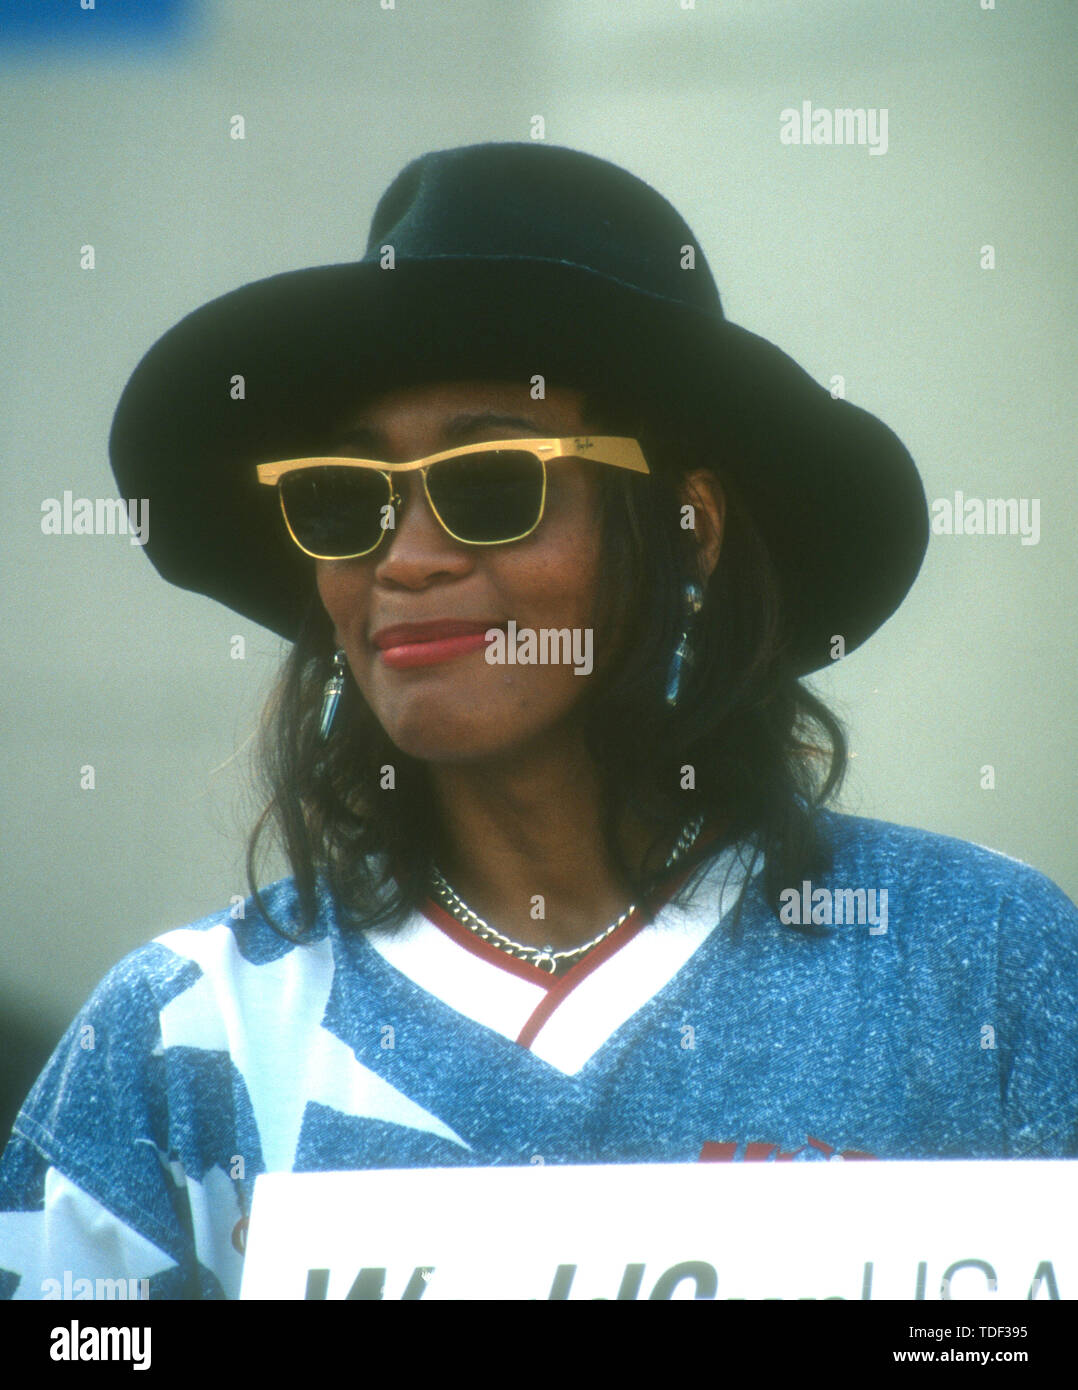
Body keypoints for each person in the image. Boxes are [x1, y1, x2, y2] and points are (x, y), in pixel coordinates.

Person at [1, 143, 1075, 1302]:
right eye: (343, 499)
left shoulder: (980, 965)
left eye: (492, 482)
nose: (406, 559)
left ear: (690, 529)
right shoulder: (183, 1037)